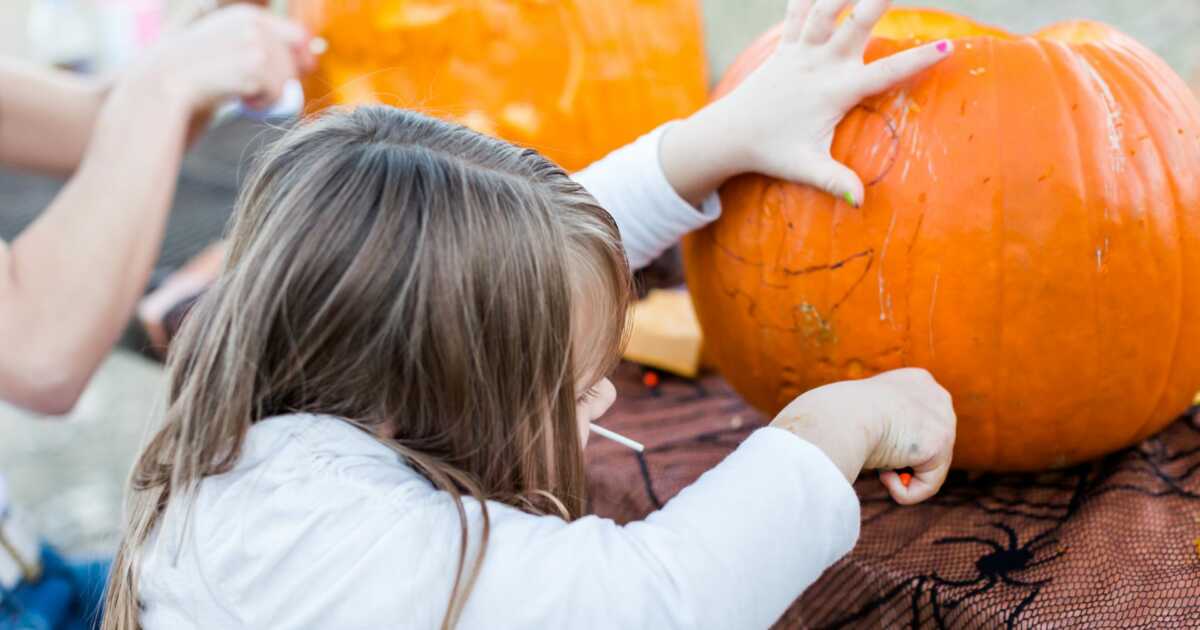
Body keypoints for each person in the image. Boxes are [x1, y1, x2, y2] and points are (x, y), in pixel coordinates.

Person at [105, 1, 957, 628]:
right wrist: (830, 428)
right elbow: (664, 600)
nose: (606, 403)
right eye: (577, 385)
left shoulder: (287, 429)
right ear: (446, 380)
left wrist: (724, 138)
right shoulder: (341, 544)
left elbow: (492, 276)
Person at [0, 5, 314, 628]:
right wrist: (169, 79)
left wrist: (198, 46)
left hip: (30, 570)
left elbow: (93, 119)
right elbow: (36, 350)